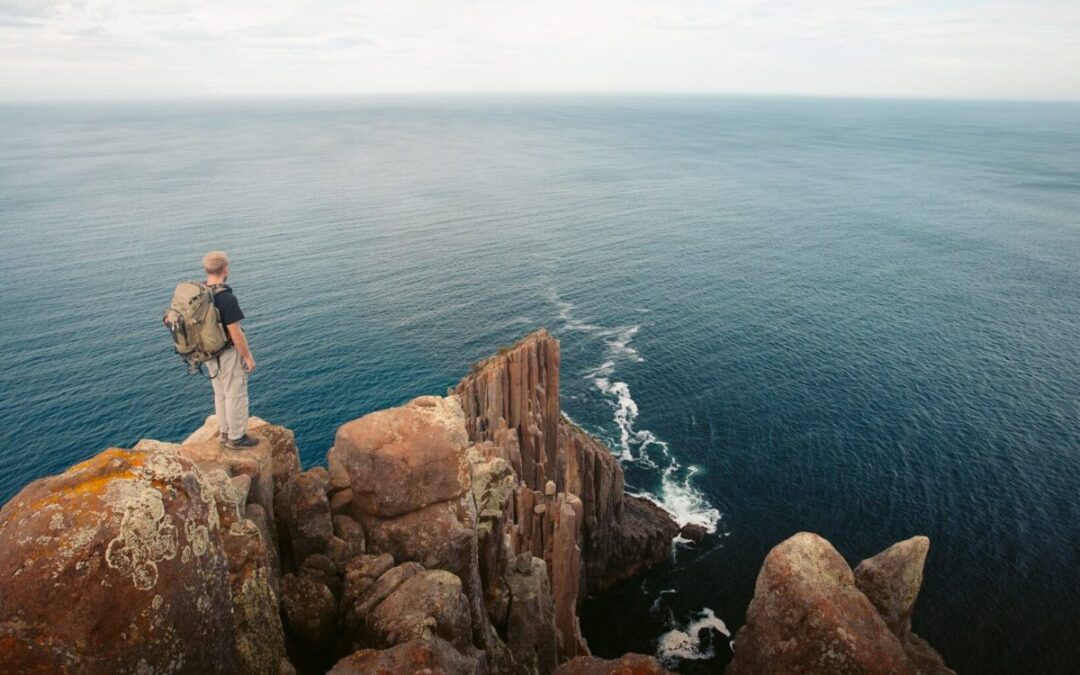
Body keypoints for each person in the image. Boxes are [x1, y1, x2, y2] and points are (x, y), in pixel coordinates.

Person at [202, 251, 259, 449]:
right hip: (226, 353)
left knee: (220, 393)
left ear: (207, 269)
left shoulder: (200, 293)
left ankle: (225, 432)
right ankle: (237, 437)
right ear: (225, 269)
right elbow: (236, 334)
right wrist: (247, 356)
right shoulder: (225, 299)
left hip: (209, 353)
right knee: (235, 393)